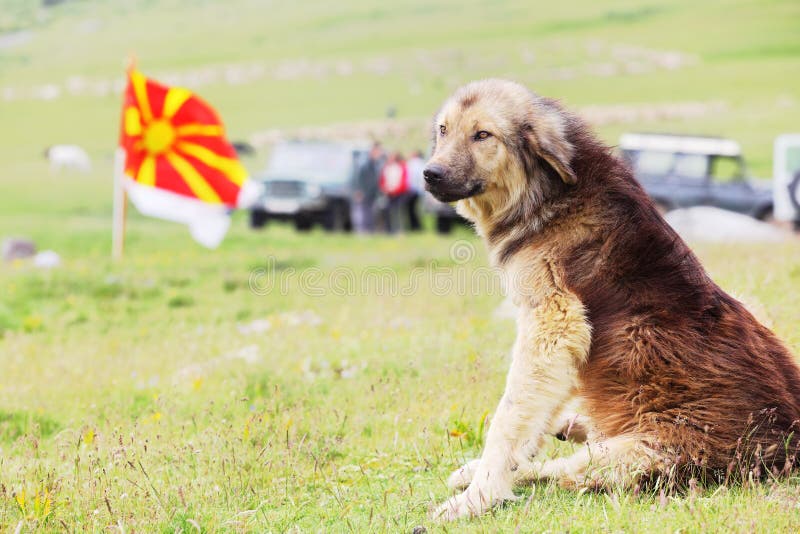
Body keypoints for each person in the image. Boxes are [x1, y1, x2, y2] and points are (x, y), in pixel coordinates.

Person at [351, 143, 383, 233]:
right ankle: (364, 231)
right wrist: (359, 191)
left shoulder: (375, 164)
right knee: (364, 214)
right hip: (365, 193)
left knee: (370, 213)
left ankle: (369, 231)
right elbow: (359, 178)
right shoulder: (365, 164)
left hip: (372, 193)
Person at [379, 152, 409, 234]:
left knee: (398, 212)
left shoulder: (401, 167)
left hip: (399, 194)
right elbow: (382, 180)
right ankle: (388, 230)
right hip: (388, 193)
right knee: (387, 211)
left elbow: (403, 182)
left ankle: (399, 229)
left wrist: (395, 190)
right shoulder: (386, 168)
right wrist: (385, 189)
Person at [405, 150, 425, 231]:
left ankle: (414, 227)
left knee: (411, 209)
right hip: (419, 191)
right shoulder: (422, 163)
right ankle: (417, 226)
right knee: (415, 209)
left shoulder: (412, 163)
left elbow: (410, 178)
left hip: (412, 190)